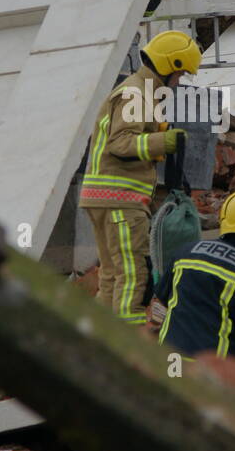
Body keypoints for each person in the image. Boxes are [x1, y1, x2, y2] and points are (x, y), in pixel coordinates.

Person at [80, 29, 201, 323]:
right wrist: (166, 142)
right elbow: (121, 143)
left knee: (111, 276)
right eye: (181, 73)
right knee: (134, 275)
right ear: (169, 66)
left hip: (104, 198)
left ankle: (100, 338)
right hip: (120, 199)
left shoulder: (138, 91)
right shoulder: (136, 94)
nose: (179, 81)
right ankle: (129, 347)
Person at [155, 188, 235, 360]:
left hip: (165, 361)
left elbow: (163, 294)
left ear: (223, 218)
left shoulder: (185, 252)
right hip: (210, 375)